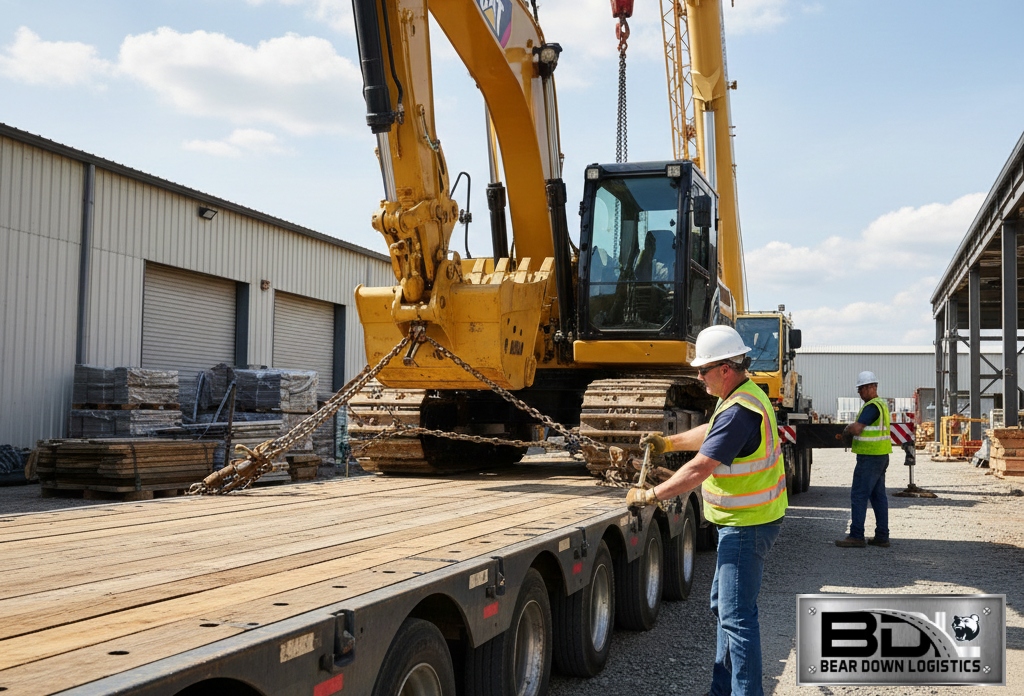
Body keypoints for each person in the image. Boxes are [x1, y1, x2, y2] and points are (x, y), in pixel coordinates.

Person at [626, 324, 788, 696]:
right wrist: (667, 442)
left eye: (703, 369)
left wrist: (652, 495)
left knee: (736, 618)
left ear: (726, 368)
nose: (698, 376)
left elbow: (700, 467)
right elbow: (710, 431)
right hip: (748, 521)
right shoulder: (740, 397)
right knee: (726, 608)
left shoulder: (739, 411)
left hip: (746, 526)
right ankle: (723, 689)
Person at [834, 371, 892, 548]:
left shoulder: (872, 406)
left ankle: (856, 535)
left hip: (870, 458)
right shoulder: (881, 404)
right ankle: (882, 536)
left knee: (859, 495)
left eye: (860, 389)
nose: (859, 393)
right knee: (878, 497)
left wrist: (847, 429)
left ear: (870, 387)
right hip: (880, 456)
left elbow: (858, 428)